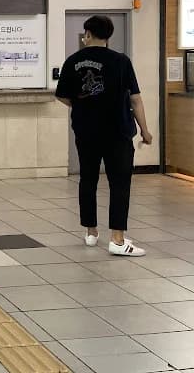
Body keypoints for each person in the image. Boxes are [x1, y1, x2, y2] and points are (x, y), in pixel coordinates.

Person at [55, 15, 152, 257]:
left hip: (86, 132)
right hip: (117, 131)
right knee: (119, 184)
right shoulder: (121, 61)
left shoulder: (73, 60)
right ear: (109, 36)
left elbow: (62, 95)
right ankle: (117, 240)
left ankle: (91, 232)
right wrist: (145, 130)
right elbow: (135, 99)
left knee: (88, 180)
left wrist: (81, 107)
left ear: (87, 34)